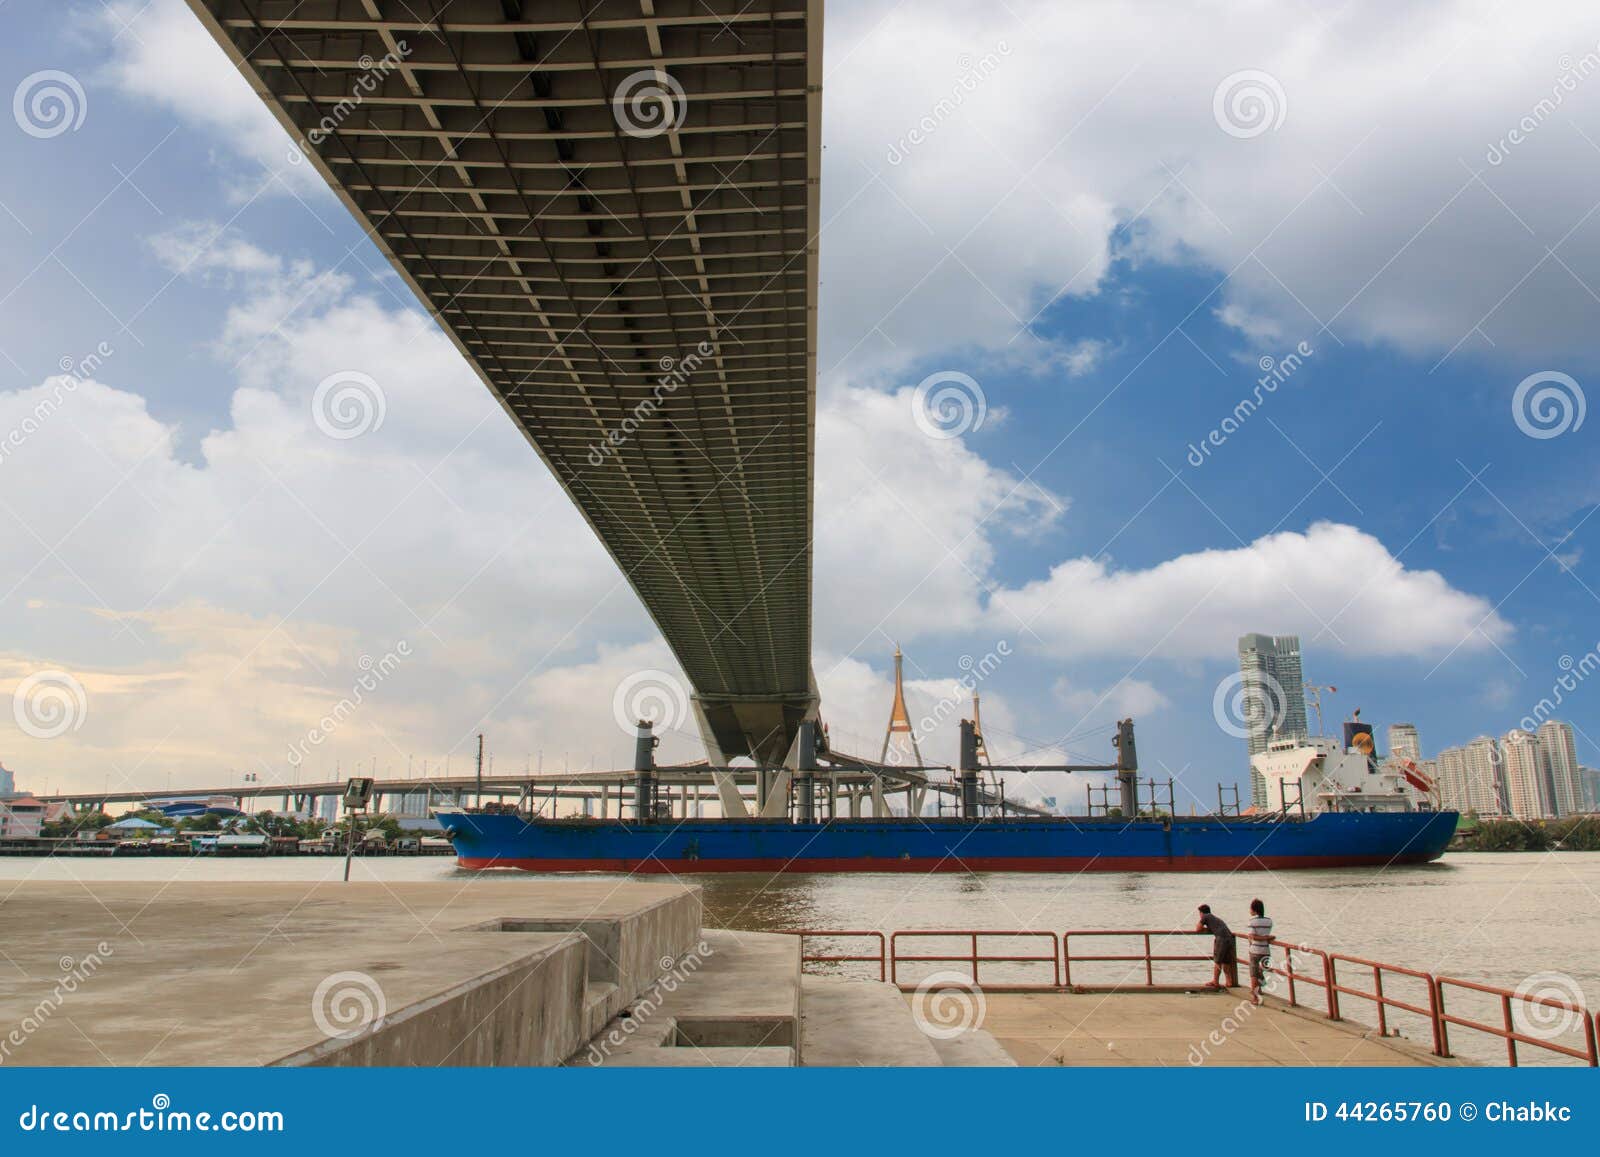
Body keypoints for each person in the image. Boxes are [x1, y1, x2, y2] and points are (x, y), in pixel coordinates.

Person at [1196, 903, 1237, 988]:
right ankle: (1229, 982)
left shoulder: (1205, 916)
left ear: (1202, 912)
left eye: (1199, 913)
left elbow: (1198, 929)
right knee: (1226, 962)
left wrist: (1205, 929)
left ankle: (1215, 981)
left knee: (1218, 961)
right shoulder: (1214, 918)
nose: (1199, 915)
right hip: (1229, 938)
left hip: (1221, 939)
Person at [1245, 898, 1274, 1005]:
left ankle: (1255, 998)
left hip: (1254, 950)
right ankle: (1260, 988)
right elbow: (1264, 934)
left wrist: (1260, 938)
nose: (1249, 910)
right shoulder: (1269, 921)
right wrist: (1267, 938)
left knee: (1253, 974)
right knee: (1261, 969)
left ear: (1255, 910)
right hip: (1265, 950)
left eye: (1250, 908)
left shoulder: (1252, 921)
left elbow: (1253, 936)